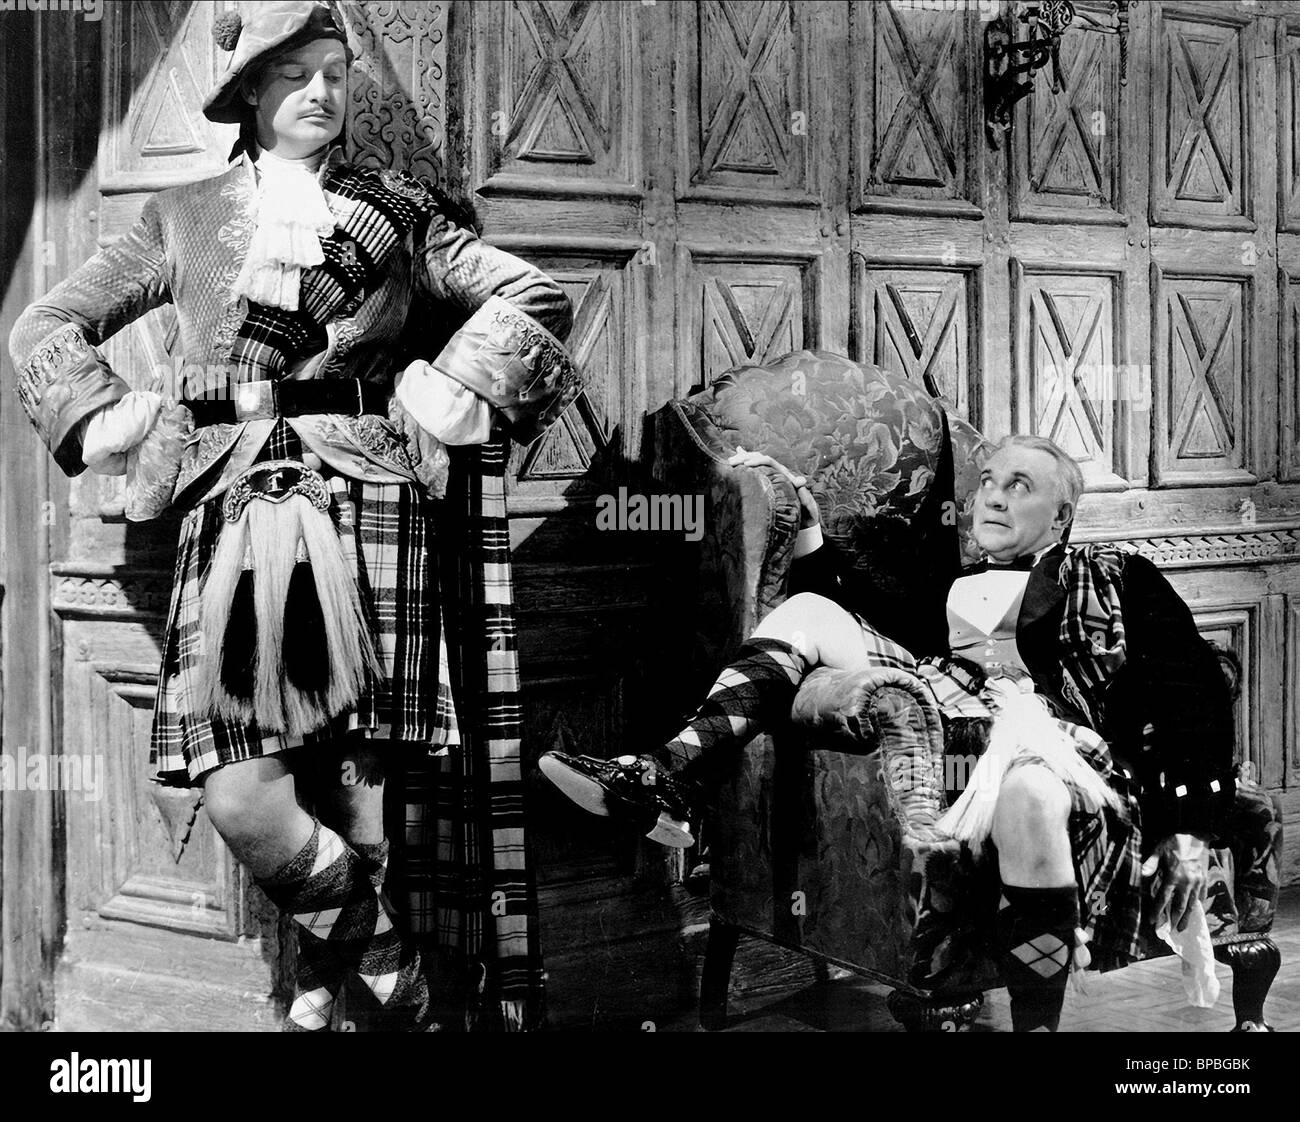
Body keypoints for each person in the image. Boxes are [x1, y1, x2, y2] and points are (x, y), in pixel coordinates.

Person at [10, 0, 578, 1031]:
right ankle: (398, 973)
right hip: (232, 509)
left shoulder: (398, 212)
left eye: (335, 72)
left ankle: (335, 994)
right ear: (251, 90)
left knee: (364, 789)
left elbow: (532, 295)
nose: (321, 92)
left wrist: (447, 386)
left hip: (371, 501)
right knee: (242, 793)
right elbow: (48, 322)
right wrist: (105, 416)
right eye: (294, 74)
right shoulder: (181, 216)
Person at [541, 432, 1239, 1031]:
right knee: (809, 609)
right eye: (987, 482)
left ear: (1060, 516)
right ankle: (664, 775)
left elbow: (1196, 695)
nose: (991, 497)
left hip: (1063, 754)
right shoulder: (949, 588)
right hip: (947, 732)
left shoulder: (1114, 578)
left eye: (1018, 486)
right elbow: (843, 602)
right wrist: (804, 515)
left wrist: (1189, 827)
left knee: (1029, 791)